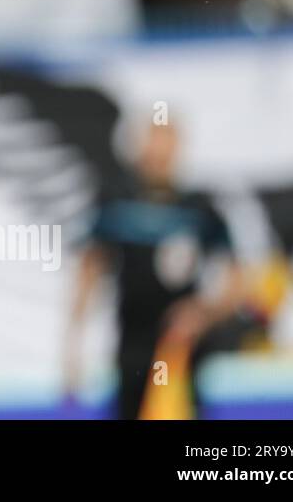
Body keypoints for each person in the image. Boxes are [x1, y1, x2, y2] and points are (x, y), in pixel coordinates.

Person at [63, 120, 244, 419]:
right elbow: (89, 270)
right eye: (152, 145)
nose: (158, 156)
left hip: (180, 350)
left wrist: (203, 312)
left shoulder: (198, 210)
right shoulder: (117, 205)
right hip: (131, 346)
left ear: (178, 150)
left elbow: (239, 279)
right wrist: (73, 344)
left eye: (166, 146)